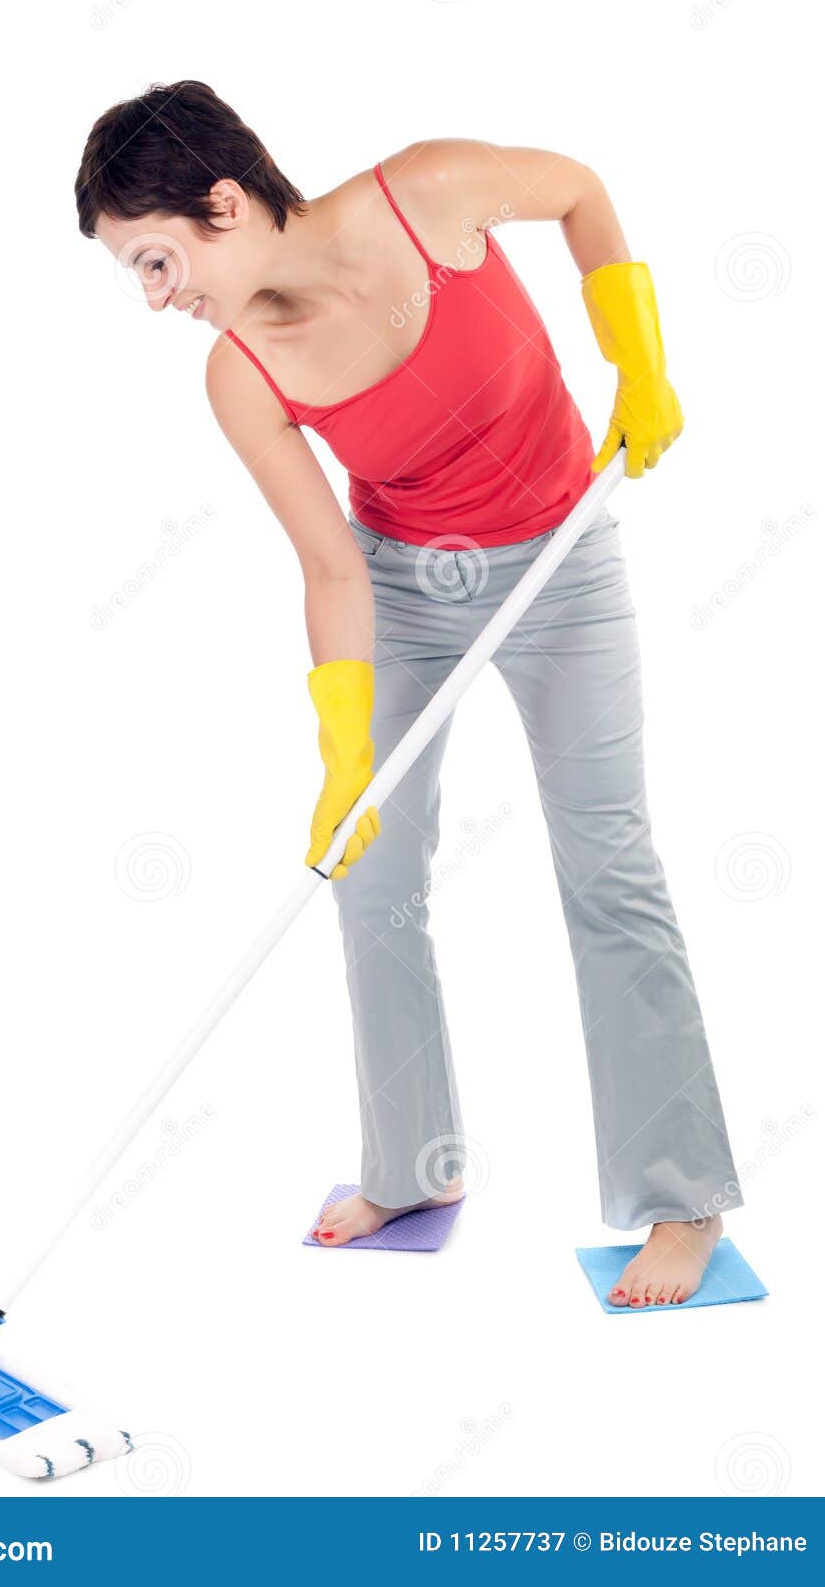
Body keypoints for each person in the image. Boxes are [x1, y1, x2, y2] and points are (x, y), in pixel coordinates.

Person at [75, 80, 742, 1307]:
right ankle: (414, 1166)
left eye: (156, 260)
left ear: (223, 204)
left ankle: (681, 1196)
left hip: (561, 562)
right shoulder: (239, 374)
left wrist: (635, 362)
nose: (157, 296)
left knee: (607, 866)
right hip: (402, 589)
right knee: (370, 877)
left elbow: (579, 191)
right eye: (138, 275)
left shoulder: (426, 191)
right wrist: (343, 757)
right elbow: (331, 567)